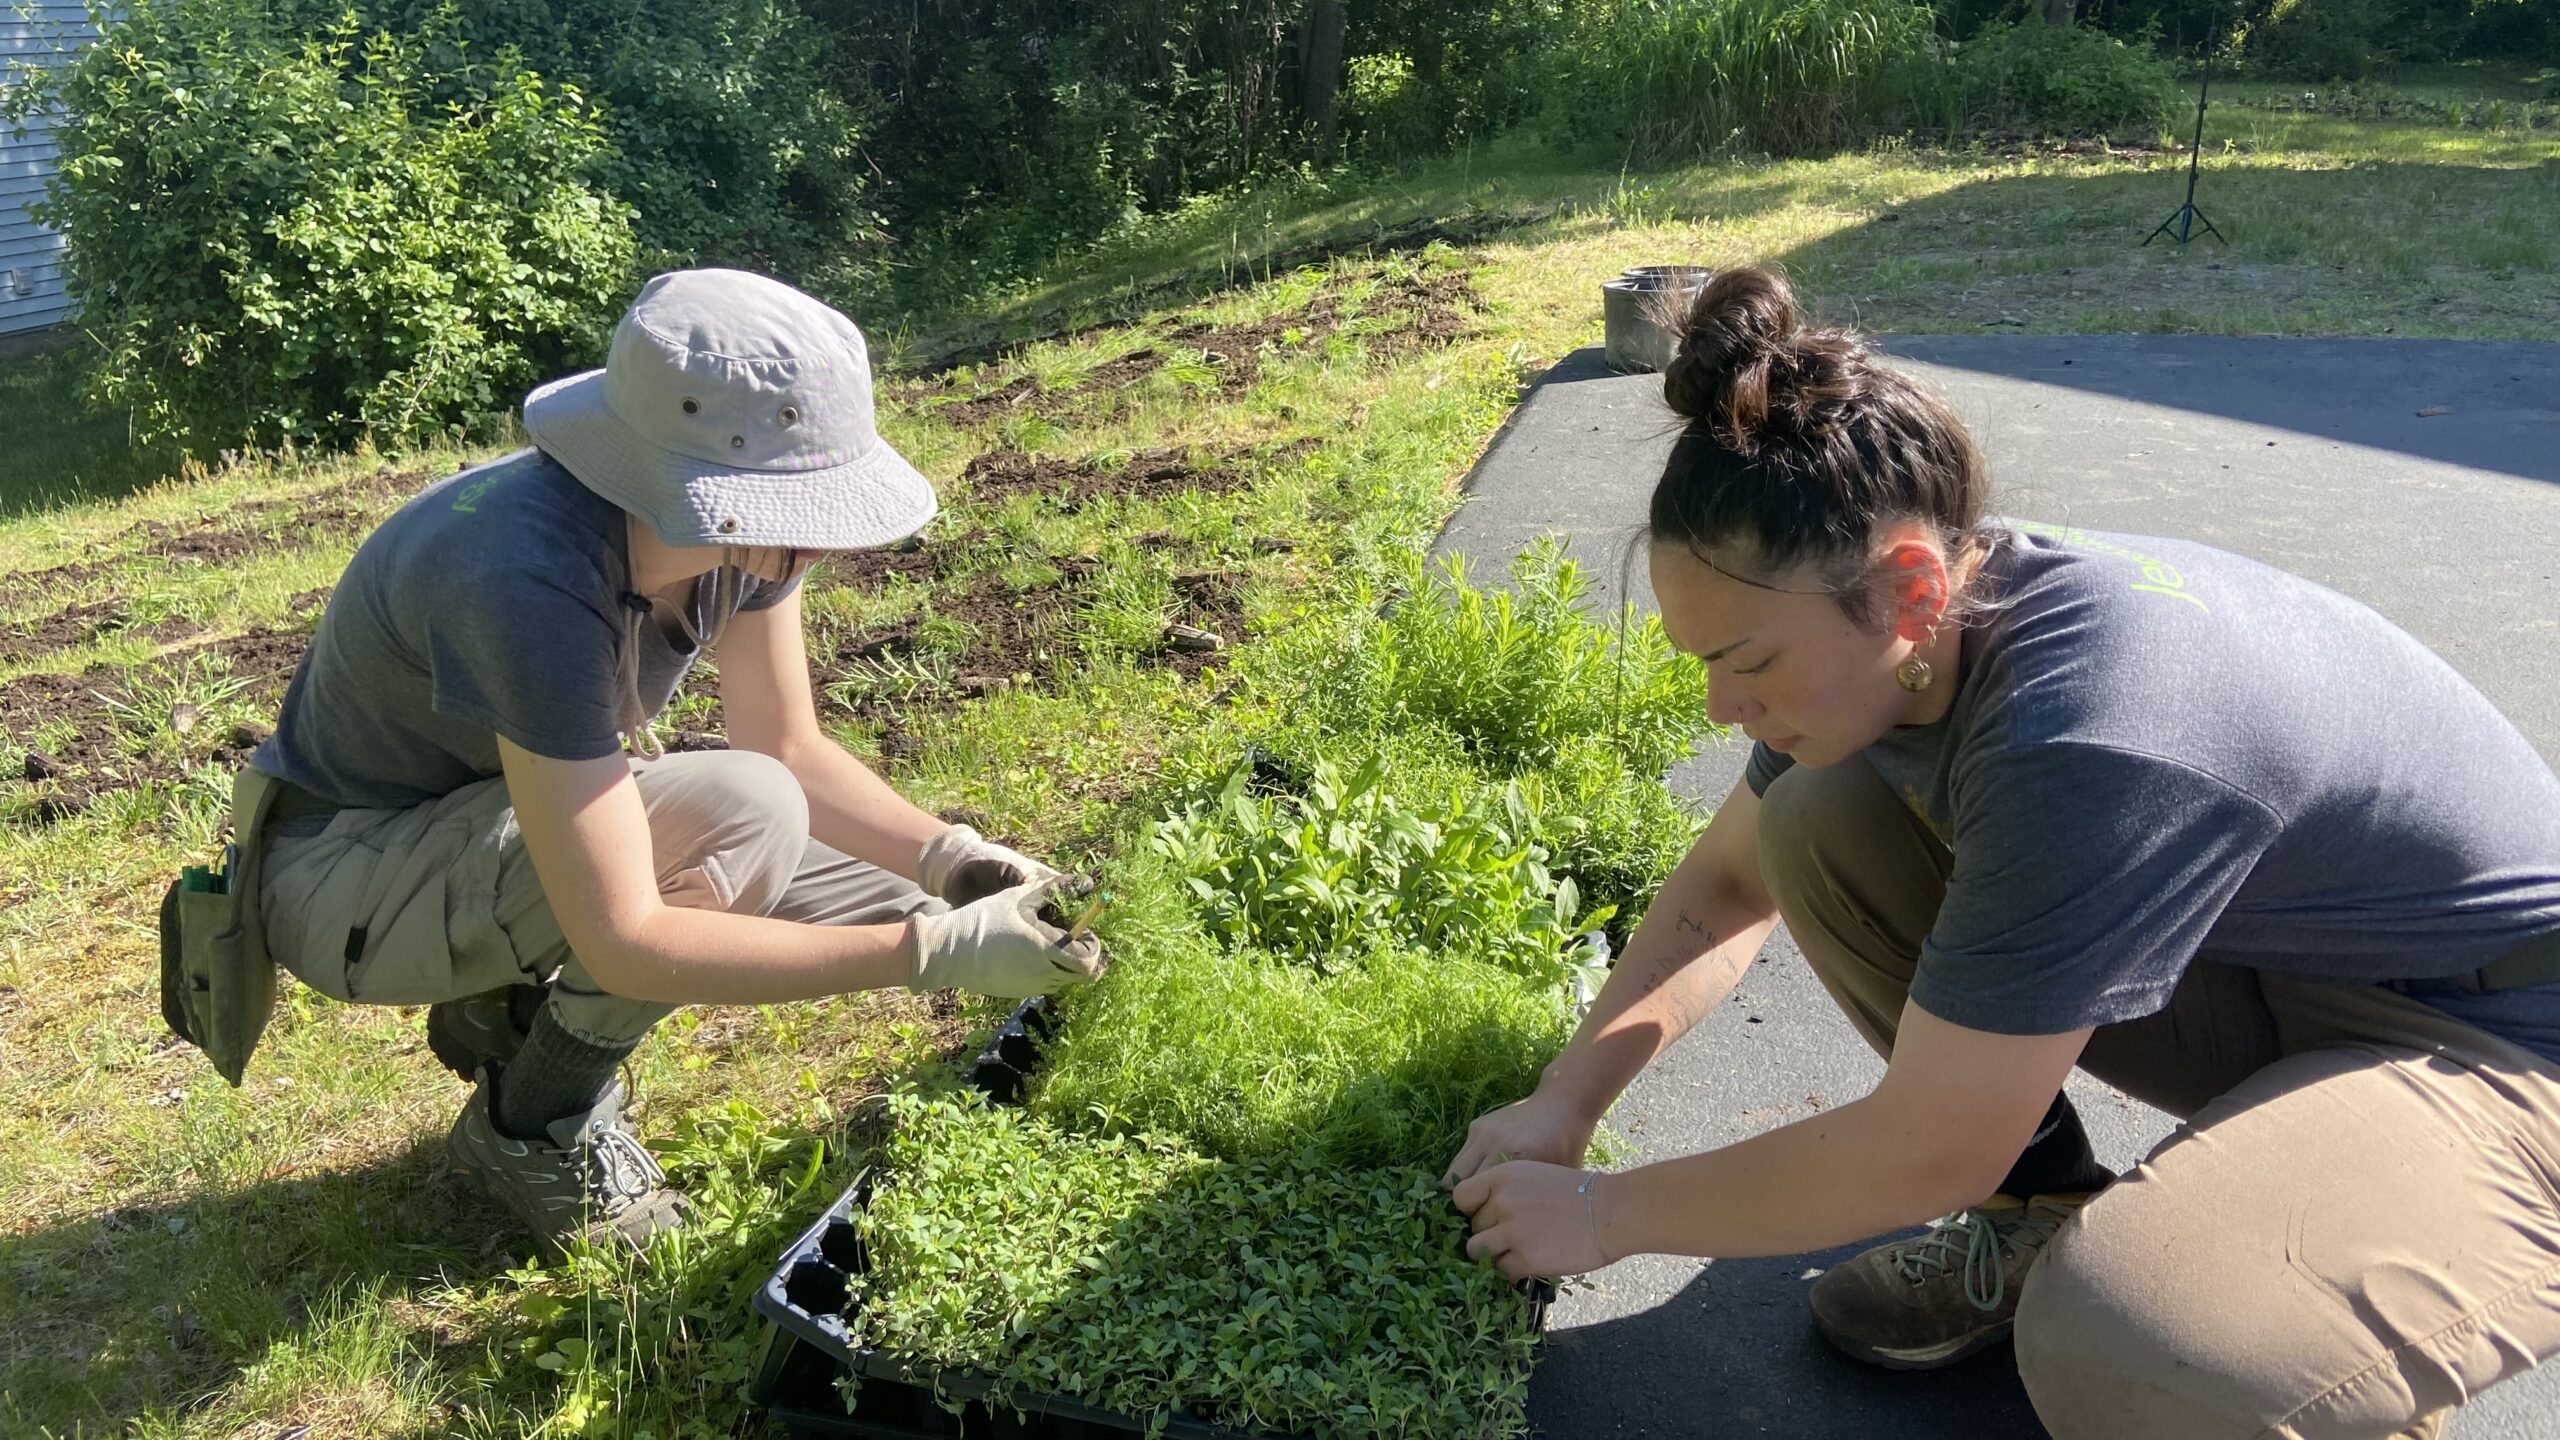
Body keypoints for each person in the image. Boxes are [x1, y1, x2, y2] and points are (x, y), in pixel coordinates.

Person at [1445, 266, 2560, 1439]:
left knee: (2128, 1343)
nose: (1723, 707)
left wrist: (1602, 1214)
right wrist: (1563, 1104)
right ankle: (2039, 1212)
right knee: (1813, 820)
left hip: (2509, 1049)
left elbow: (1923, 1147)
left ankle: (2327, 1360)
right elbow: (1730, 887)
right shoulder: (1929, 631)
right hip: (2299, 972)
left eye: (1751, 661)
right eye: (1704, 664)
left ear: (1910, 586)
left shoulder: (2083, 729)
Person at [223, 269, 1102, 1259]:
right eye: (790, 499)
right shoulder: (528, 579)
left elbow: (791, 745)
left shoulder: (739, 540)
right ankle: (531, 1125)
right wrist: (925, 956)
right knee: (745, 814)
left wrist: (954, 864)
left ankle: (501, 1008)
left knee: (839, 849)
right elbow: (628, 937)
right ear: (683, 474)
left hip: (485, 823)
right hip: (345, 874)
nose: (816, 534)